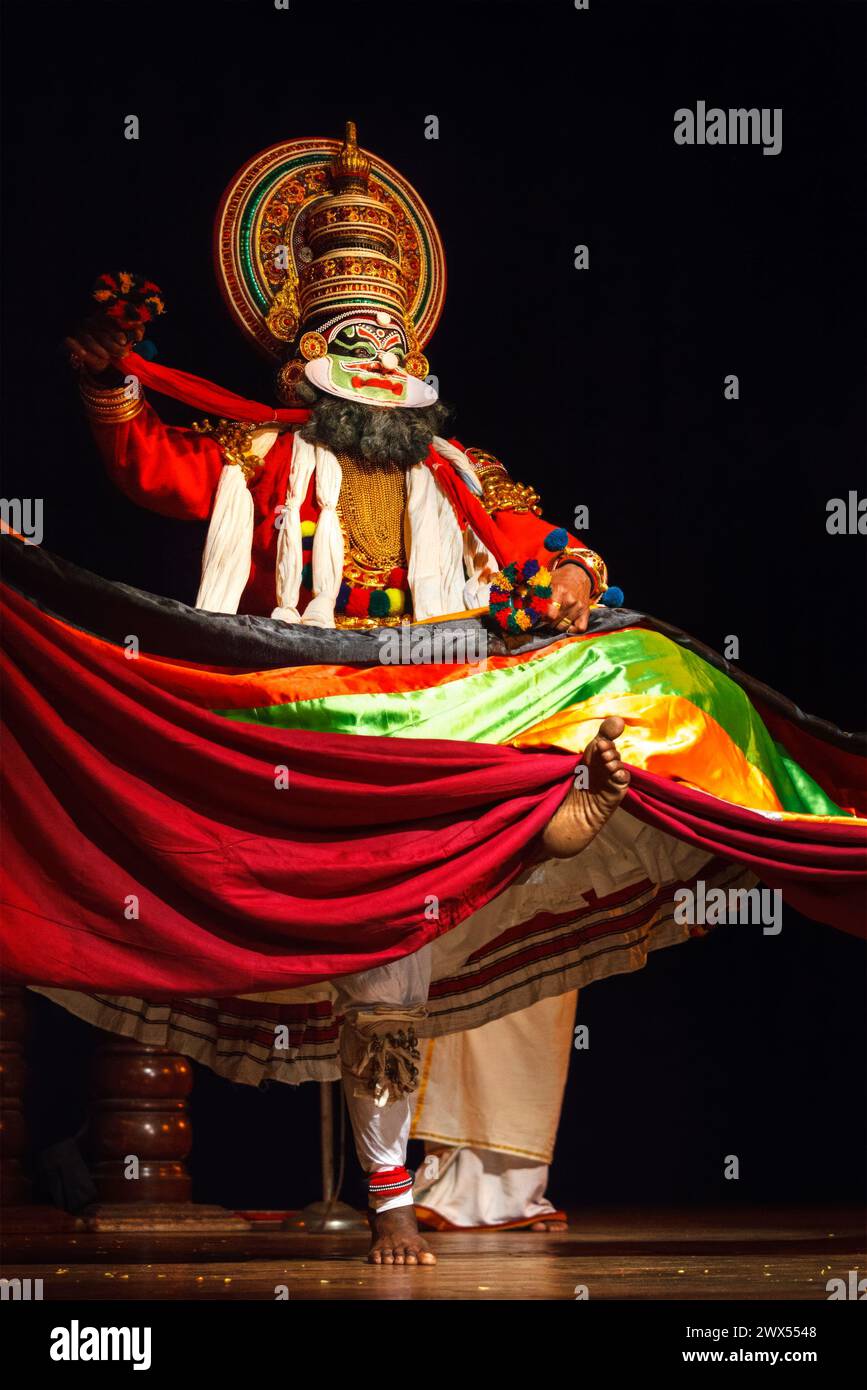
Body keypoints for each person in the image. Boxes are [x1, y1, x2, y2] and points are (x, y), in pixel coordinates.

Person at [63, 123, 632, 1265]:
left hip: (426, 718)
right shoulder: (260, 456)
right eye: (349, 338)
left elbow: (544, 545)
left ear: (411, 356)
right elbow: (147, 464)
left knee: (402, 949)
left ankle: (387, 1188)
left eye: (386, 338)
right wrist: (113, 381)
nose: (373, 355)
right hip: (295, 715)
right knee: (274, 909)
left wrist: (573, 573)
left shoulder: (459, 476)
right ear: (303, 358)